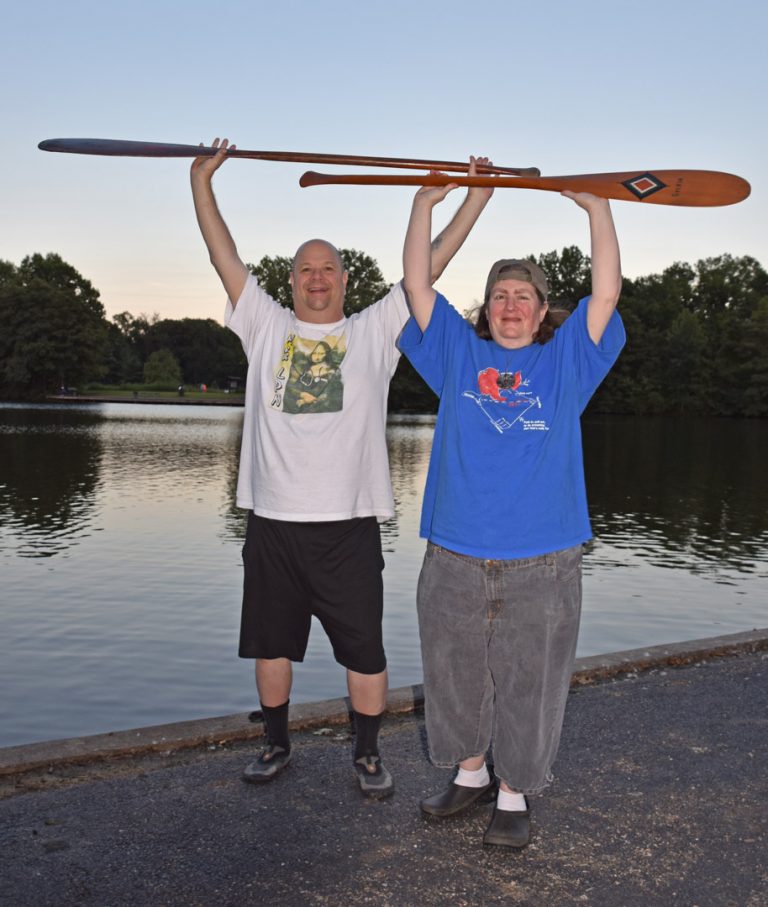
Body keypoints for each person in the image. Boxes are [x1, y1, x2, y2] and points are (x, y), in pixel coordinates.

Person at [190, 138, 494, 798]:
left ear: (345, 279)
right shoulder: (264, 325)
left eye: (327, 268)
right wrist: (202, 181)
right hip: (273, 524)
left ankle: (366, 752)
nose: (317, 277)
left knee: (365, 651)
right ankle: (275, 741)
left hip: (348, 530)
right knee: (270, 646)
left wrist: (475, 197)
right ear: (291, 279)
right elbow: (222, 254)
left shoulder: (373, 331)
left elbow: (430, 266)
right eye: (305, 269)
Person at [400, 179, 624, 843]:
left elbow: (606, 292)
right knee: (453, 672)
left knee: (531, 680)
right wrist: (424, 206)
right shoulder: (456, 356)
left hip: (544, 558)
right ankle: (470, 775)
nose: (510, 304)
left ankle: (515, 790)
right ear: (485, 308)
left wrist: (597, 207)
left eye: (523, 296)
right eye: (499, 294)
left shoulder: (567, 366)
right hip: (455, 550)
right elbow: (416, 286)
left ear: (544, 309)